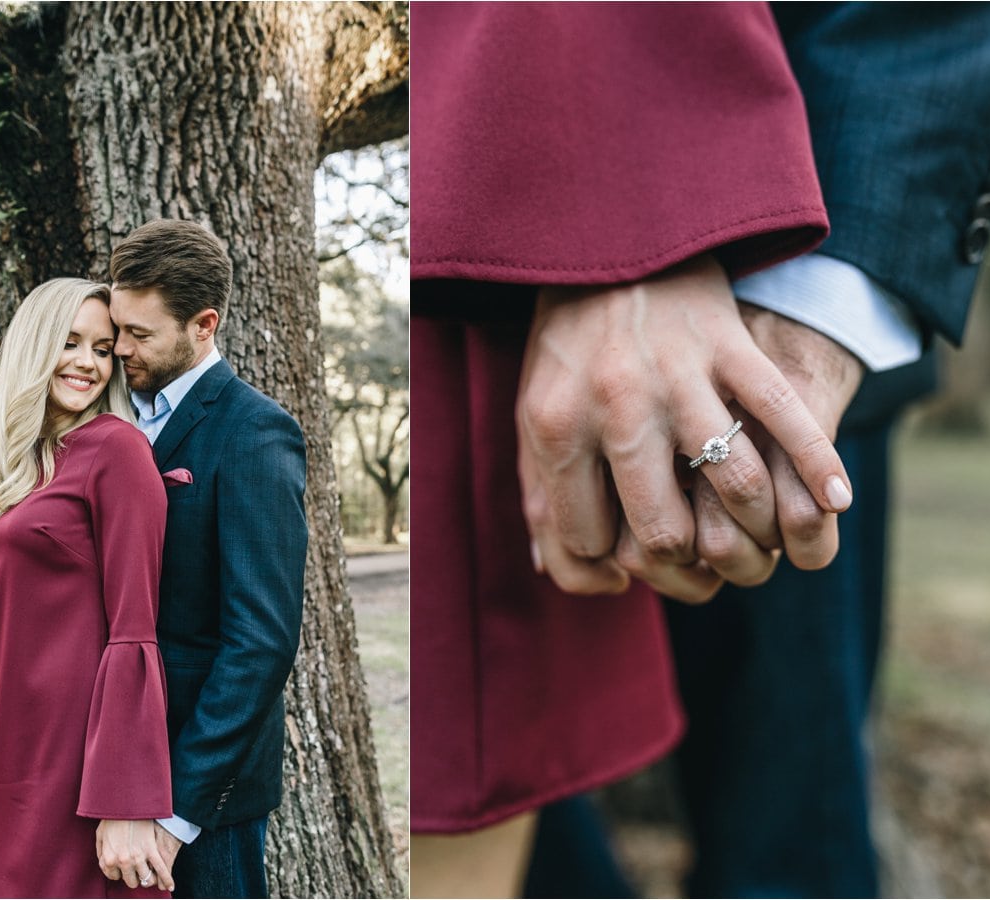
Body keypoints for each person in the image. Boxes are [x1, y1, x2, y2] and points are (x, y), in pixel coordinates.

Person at [523, 3, 990, 898]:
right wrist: (584, 237)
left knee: (789, 841)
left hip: (785, 338)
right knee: (492, 812)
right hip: (476, 319)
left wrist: (811, 316)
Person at [409, 4, 854, 896]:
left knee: (792, 817)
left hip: (805, 267)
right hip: (492, 266)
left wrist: (631, 225)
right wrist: (608, 230)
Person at [105, 219, 309, 899]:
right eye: (117, 328)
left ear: (203, 325)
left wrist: (177, 812)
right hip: (109, 773)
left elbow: (261, 642)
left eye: (140, 334)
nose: (118, 348)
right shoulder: (105, 414)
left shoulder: (254, 433)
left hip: (202, 798)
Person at [0, 278, 175, 898]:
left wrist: (127, 799)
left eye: (103, 349)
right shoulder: (19, 467)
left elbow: (136, 630)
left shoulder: (117, 450)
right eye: (70, 342)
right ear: (34, 345)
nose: (87, 362)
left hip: (79, 764)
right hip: (11, 754)